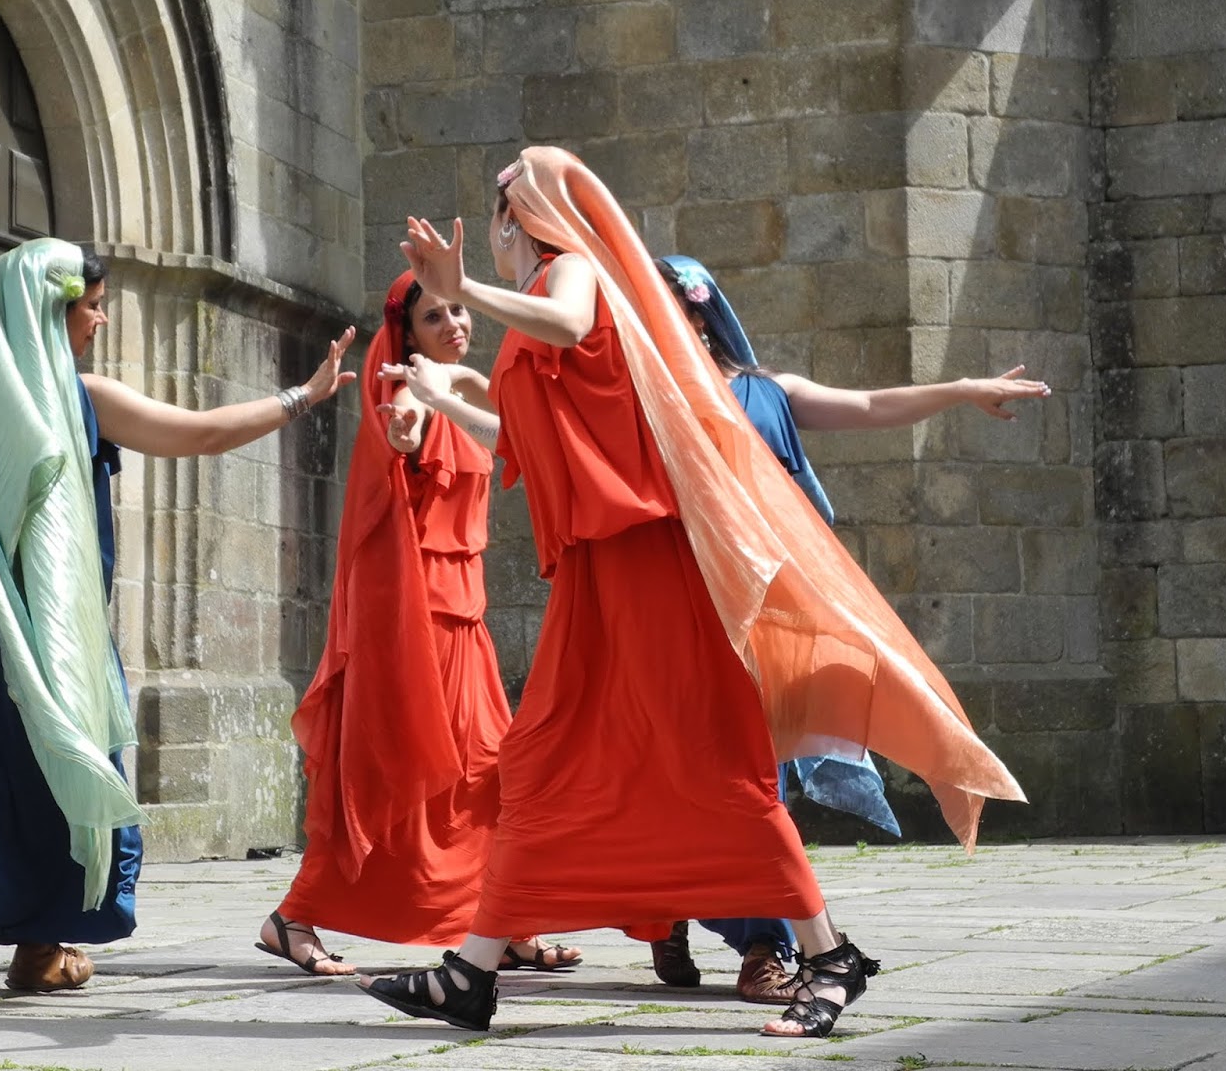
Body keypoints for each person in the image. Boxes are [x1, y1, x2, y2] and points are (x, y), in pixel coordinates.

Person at [355, 146, 1023, 1040]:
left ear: (527, 222)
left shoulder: (574, 274)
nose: (501, 233)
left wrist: (463, 289)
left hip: (651, 565)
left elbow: (559, 321)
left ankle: (826, 957)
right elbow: (524, 435)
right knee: (541, 761)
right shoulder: (559, 321)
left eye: (503, 217)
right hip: (601, 572)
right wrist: (439, 397)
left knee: (714, 763)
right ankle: (471, 974)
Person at [0, 238, 356, 1001]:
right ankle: (38, 944)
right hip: (54, 627)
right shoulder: (84, 398)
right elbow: (200, 433)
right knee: (64, 775)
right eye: (91, 306)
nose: (101, 320)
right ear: (52, 310)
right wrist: (301, 399)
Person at [645, 253, 1050, 1001]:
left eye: (679, 310)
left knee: (755, 782)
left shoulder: (765, 393)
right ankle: (667, 906)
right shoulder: (642, 406)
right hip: (681, 619)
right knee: (680, 775)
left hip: (768, 621)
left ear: (703, 318)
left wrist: (961, 391)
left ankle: (761, 942)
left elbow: (866, 406)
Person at [256, 270, 579, 976]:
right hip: (423, 620)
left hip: (466, 617)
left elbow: (525, 433)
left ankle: (506, 923)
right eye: (435, 318)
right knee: (400, 778)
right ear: (408, 333)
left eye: (459, 310)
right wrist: (404, 437)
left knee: (487, 781)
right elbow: (400, 444)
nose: (455, 324)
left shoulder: (460, 388)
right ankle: (294, 916)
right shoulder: (412, 393)